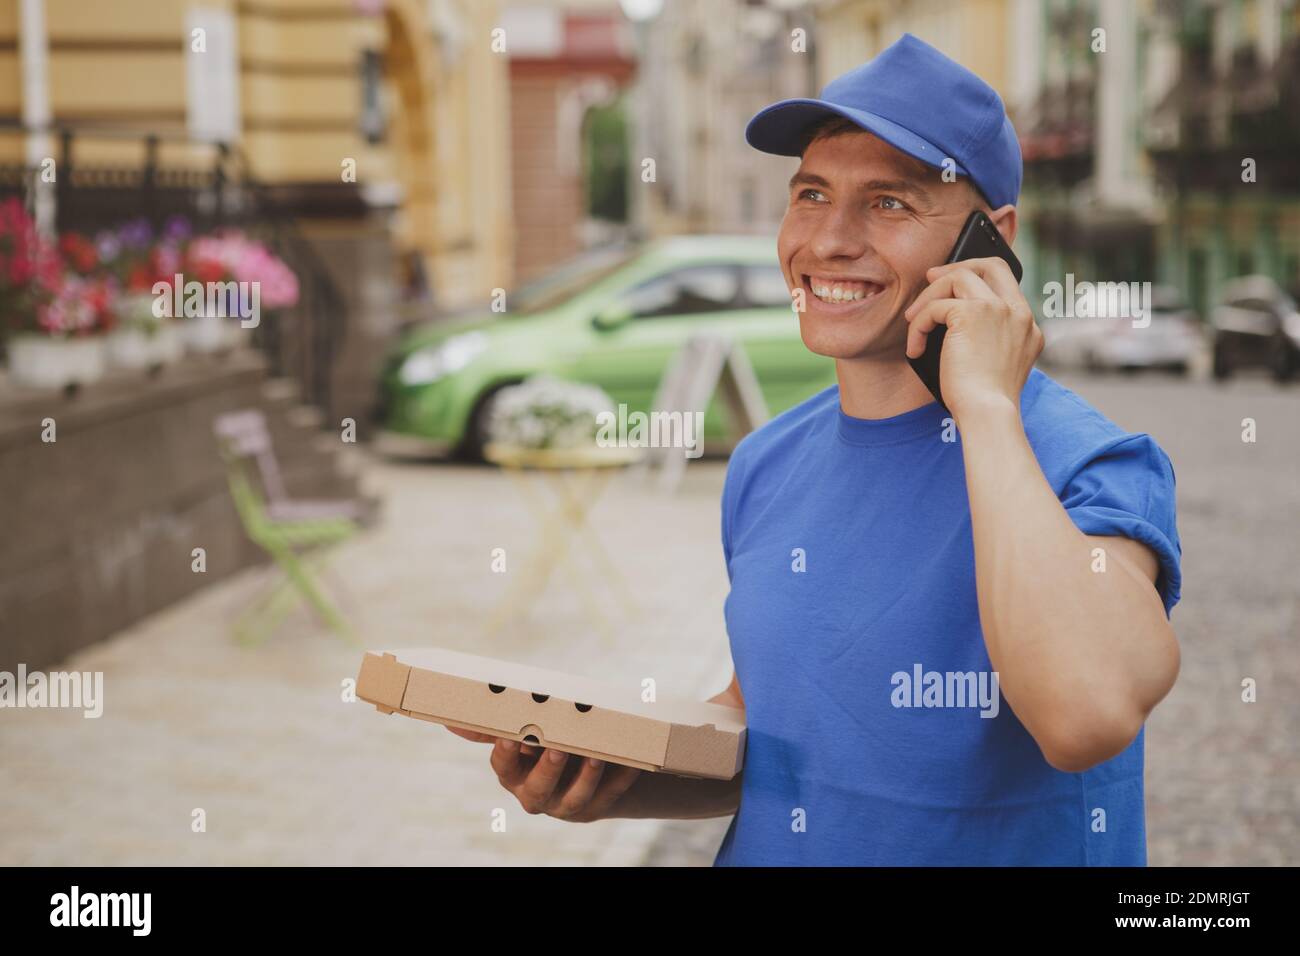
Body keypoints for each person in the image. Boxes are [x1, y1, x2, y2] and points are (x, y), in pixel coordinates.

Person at [449, 33, 1182, 866]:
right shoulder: (766, 462)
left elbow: (1085, 717)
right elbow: (775, 737)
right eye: (810, 193)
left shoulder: (1087, 460)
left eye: (889, 203)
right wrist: (616, 778)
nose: (829, 240)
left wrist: (982, 406)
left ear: (992, 241)